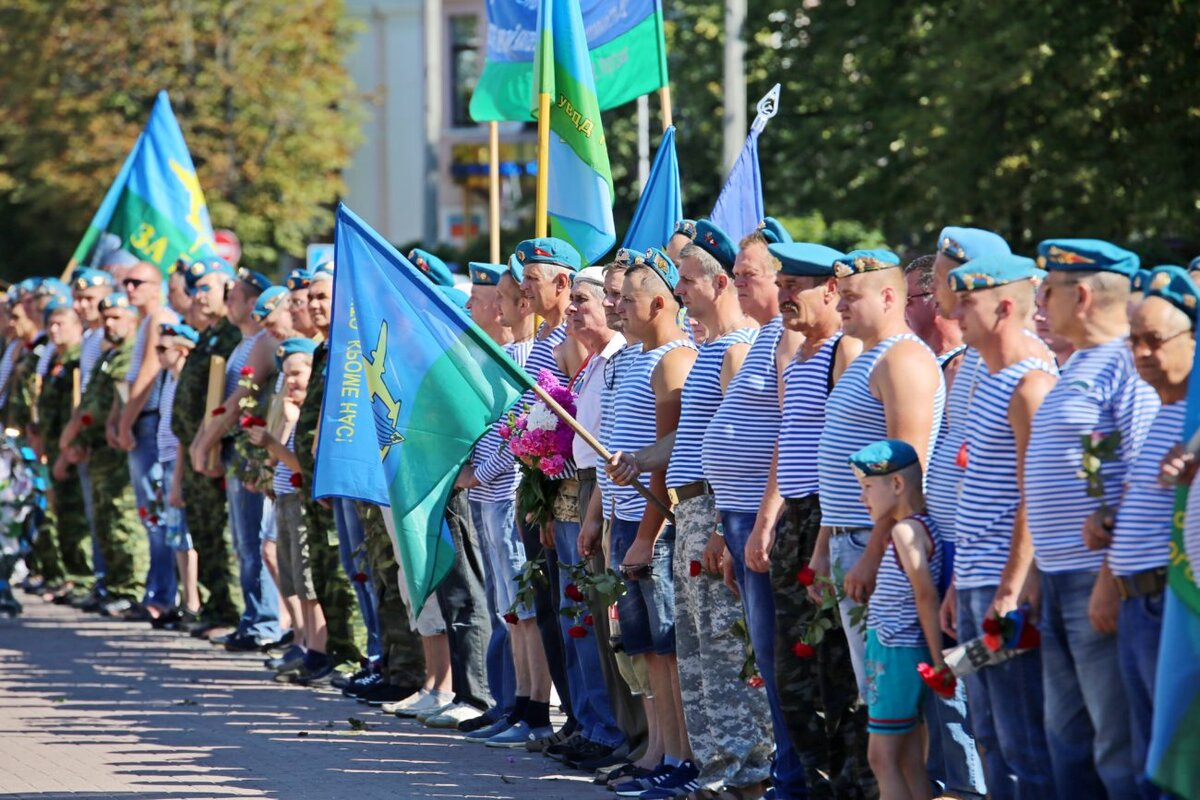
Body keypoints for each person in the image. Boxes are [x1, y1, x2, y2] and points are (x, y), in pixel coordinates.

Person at [1027, 239, 1157, 799]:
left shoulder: (1132, 366)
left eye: (1047, 291)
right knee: (1068, 739)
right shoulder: (1079, 362)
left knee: (1115, 745)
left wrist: (1109, 578)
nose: (1040, 302)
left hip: (1099, 580)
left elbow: (1144, 479)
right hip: (1060, 578)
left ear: (1080, 294)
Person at [750, 241, 876, 798]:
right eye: (780, 286)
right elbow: (789, 439)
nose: (783, 297)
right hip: (796, 518)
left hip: (831, 516)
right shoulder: (797, 354)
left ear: (831, 290)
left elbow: (849, 448)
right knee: (792, 664)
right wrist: (765, 519)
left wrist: (824, 533)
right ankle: (812, 780)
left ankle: (850, 782)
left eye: (793, 287)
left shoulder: (842, 352)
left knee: (836, 667)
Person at [698, 225, 807, 800]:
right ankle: (788, 777)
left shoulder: (787, 339)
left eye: (749, 275)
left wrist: (763, 520)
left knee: (781, 654)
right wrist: (722, 522)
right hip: (738, 516)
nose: (736, 282)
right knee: (766, 652)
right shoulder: (764, 337)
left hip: (770, 519)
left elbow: (785, 440)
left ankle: (791, 780)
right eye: (735, 274)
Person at [946, 253, 1058, 799]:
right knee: (987, 732)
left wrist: (1011, 590)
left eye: (968, 302)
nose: (956, 312)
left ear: (1006, 307)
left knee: (1023, 741)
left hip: (1002, 587)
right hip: (975, 579)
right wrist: (957, 583)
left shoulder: (1030, 384)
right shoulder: (985, 377)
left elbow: (1034, 499)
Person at [814, 249, 945, 694]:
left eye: (851, 296)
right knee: (874, 689)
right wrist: (822, 547)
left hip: (879, 544)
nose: (840, 305)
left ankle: (923, 768)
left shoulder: (902, 359)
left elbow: (906, 473)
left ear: (889, 297)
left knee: (896, 692)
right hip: (849, 537)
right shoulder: (868, 359)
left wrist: (874, 553)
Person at [605, 247, 699, 798]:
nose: (620, 306)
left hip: (653, 524)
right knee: (643, 648)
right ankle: (659, 748)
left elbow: (668, 459)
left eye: (630, 298)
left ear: (659, 302)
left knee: (666, 647)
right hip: (624, 517)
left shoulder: (673, 358)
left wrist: (645, 534)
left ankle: (680, 755)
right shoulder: (637, 356)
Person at [1108, 266, 1195, 800]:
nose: (1140, 352)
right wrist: (1110, 524)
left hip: (1173, 601)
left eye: (1154, 341)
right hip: (1136, 603)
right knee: (1150, 762)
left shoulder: (1192, 418)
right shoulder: (1166, 411)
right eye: (1133, 341)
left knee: (1175, 763)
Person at [190, 266, 282, 651]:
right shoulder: (242, 343)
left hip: (251, 451)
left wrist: (202, 444)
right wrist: (205, 442)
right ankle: (253, 617)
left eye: (236, 297)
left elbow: (235, 402)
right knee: (244, 542)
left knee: (255, 540)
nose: (228, 302)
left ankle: (264, 623)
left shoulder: (262, 341)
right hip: (235, 450)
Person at [848, 439, 945, 800]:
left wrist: (938, 661)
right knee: (906, 758)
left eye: (868, 487)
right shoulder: (908, 530)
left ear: (898, 485)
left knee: (881, 757)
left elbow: (925, 595)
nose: (863, 498)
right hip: (892, 650)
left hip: (897, 653)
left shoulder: (906, 532)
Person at [247, 338, 334, 680]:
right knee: (295, 580)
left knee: (309, 581)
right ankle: (303, 642)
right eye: (287, 375)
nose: (292, 382)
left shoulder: (307, 416)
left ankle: (317, 650)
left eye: (298, 374)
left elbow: (300, 465)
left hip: (300, 502)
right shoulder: (290, 412)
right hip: (284, 499)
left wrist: (271, 442)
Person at [66, 291, 150, 614]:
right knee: (105, 518)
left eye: (116, 317)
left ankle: (131, 587)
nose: (109, 324)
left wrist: (75, 430)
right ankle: (114, 585)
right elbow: (92, 399)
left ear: (133, 319)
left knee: (123, 519)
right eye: (106, 318)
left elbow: (103, 407)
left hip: (115, 448)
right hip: (100, 448)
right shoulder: (109, 355)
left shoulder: (129, 353)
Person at [173, 258, 243, 638]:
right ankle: (216, 607)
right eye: (194, 289)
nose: (197, 296)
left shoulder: (231, 337)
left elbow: (222, 401)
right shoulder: (209, 335)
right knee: (204, 532)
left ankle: (230, 610)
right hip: (196, 447)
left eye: (206, 289)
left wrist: (207, 444)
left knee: (222, 534)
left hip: (216, 450)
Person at [116, 261, 180, 618]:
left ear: (157, 286)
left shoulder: (159, 318)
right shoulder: (145, 321)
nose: (129, 288)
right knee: (151, 513)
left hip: (151, 422)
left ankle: (161, 597)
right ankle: (157, 590)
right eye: (125, 281)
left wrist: (126, 420)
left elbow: (148, 372)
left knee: (157, 512)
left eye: (137, 281)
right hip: (142, 420)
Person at [37, 299, 91, 600]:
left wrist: (68, 448)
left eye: (61, 324)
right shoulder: (54, 360)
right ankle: (71, 577)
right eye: (50, 325)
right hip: (53, 446)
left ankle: (81, 577)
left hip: (70, 448)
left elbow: (76, 408)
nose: (53, 330)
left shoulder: (78, 360)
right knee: (61, 513)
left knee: (75, 515)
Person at [153, 322, 202, 631]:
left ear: (182, 350)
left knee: (185, 538)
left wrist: (176, 480)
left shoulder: (184, 381)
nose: (157, 355)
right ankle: (184, 600)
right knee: (175, 537)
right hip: (167, 461)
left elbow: (184, 434)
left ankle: (193, 602)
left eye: (163, 349)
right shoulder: (167, 380)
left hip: (178, 465)